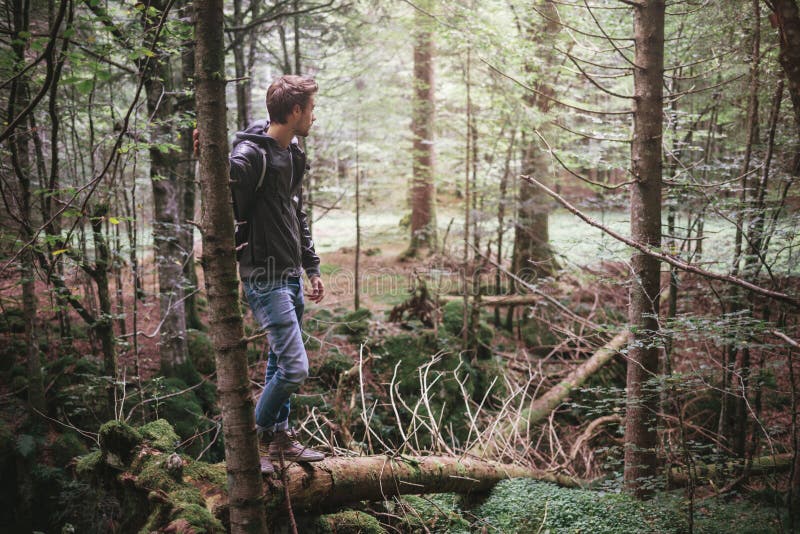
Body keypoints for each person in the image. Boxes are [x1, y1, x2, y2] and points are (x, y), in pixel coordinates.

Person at [197, 75, 327, 474]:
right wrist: (210, 159)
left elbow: (295, 213)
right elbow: (226, 190)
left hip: (289, 272)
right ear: (294, 112)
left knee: (277, 363)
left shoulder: (294, 152)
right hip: (263, 276)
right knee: (294, 367)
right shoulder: (251, 155)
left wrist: (311, 265)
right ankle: (251, 438)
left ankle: (280, 439)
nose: (314, 116)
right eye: (311, 109)